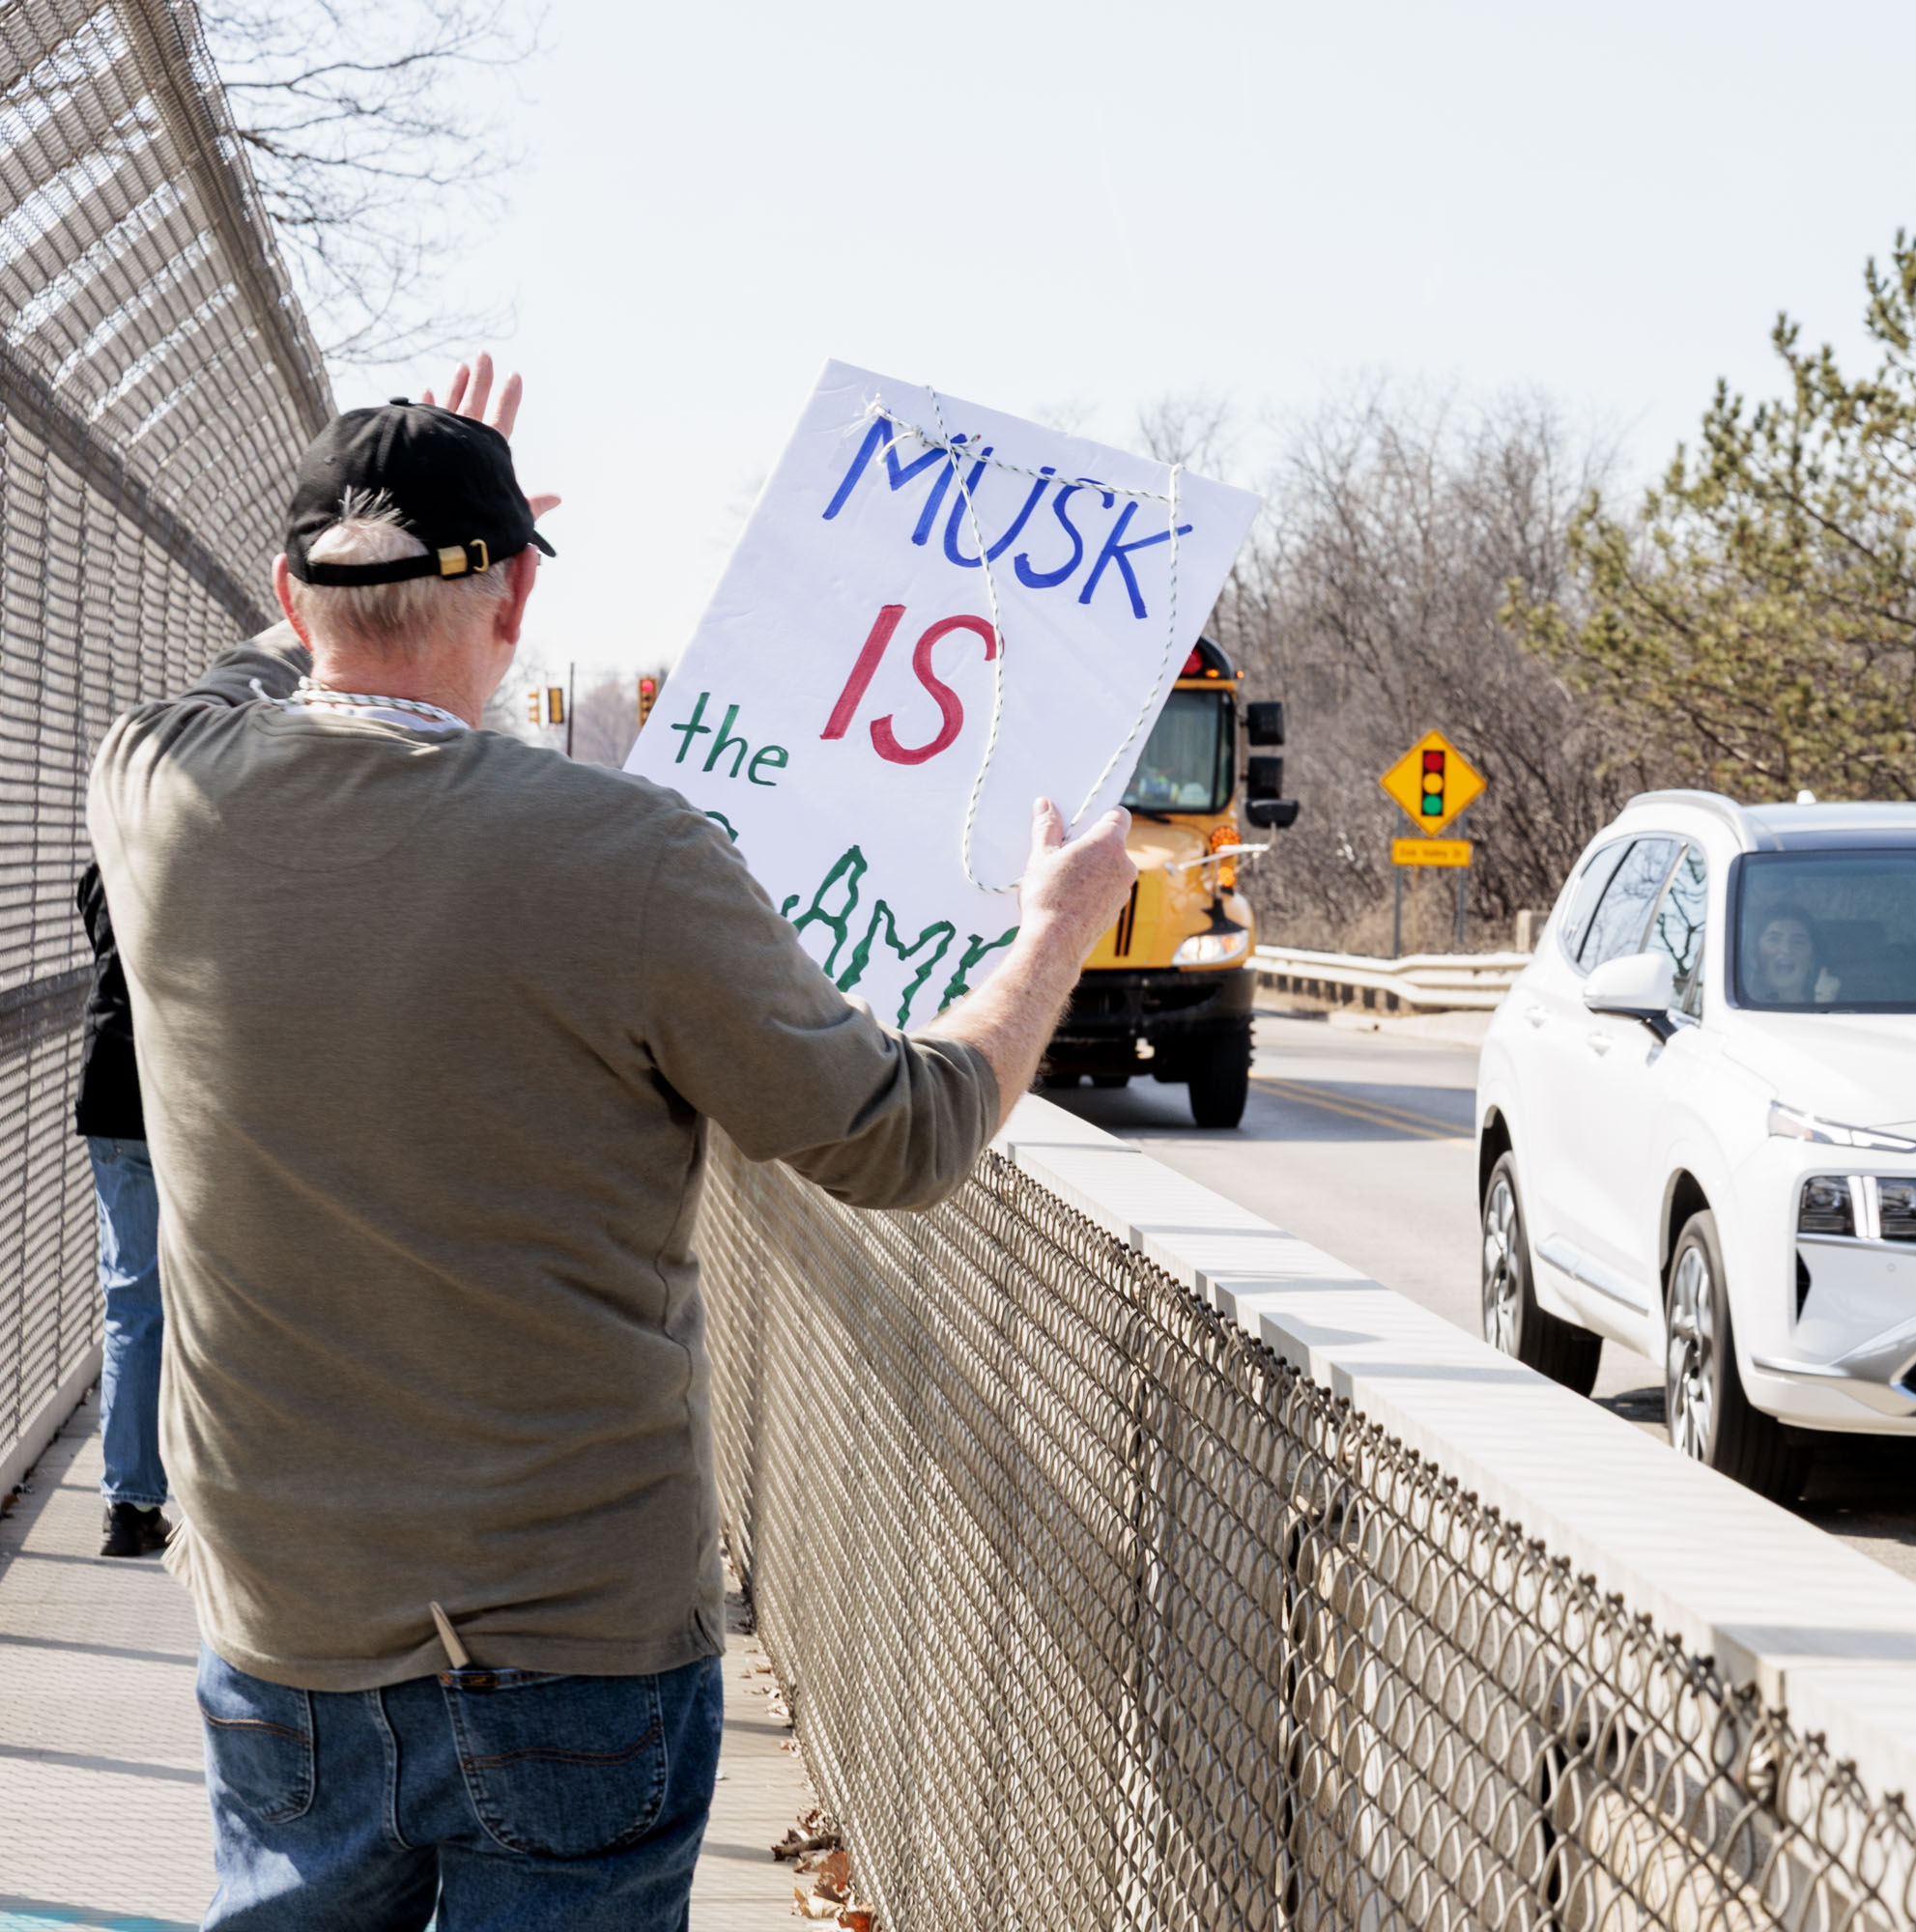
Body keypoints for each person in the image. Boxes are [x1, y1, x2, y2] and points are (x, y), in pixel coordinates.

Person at [87, 358, 1134, 1929]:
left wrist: (364, 552)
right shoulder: (632, 858)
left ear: (289, 595)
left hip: (282, 1627)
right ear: (515, 604)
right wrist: (1051, 941)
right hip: (575, 1643)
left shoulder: (156, 791)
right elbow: (901, 1137)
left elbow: (248, 676)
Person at [71, 622, 310, 1559]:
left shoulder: (113, 860)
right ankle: (226, 1492)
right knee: (225, 1292)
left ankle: (129, 1500)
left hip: (113, 1092)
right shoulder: (236, 862)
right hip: (199, 1100)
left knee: (133, 1296)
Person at [1747, 905, 1837, 1005]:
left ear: (1812, 959)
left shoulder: (1838, 1009)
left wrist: (1824, 1006)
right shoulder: (1736, 1012)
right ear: (1755, 954)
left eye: (1798, 942)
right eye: (1774, 939)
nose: (1786, 949)